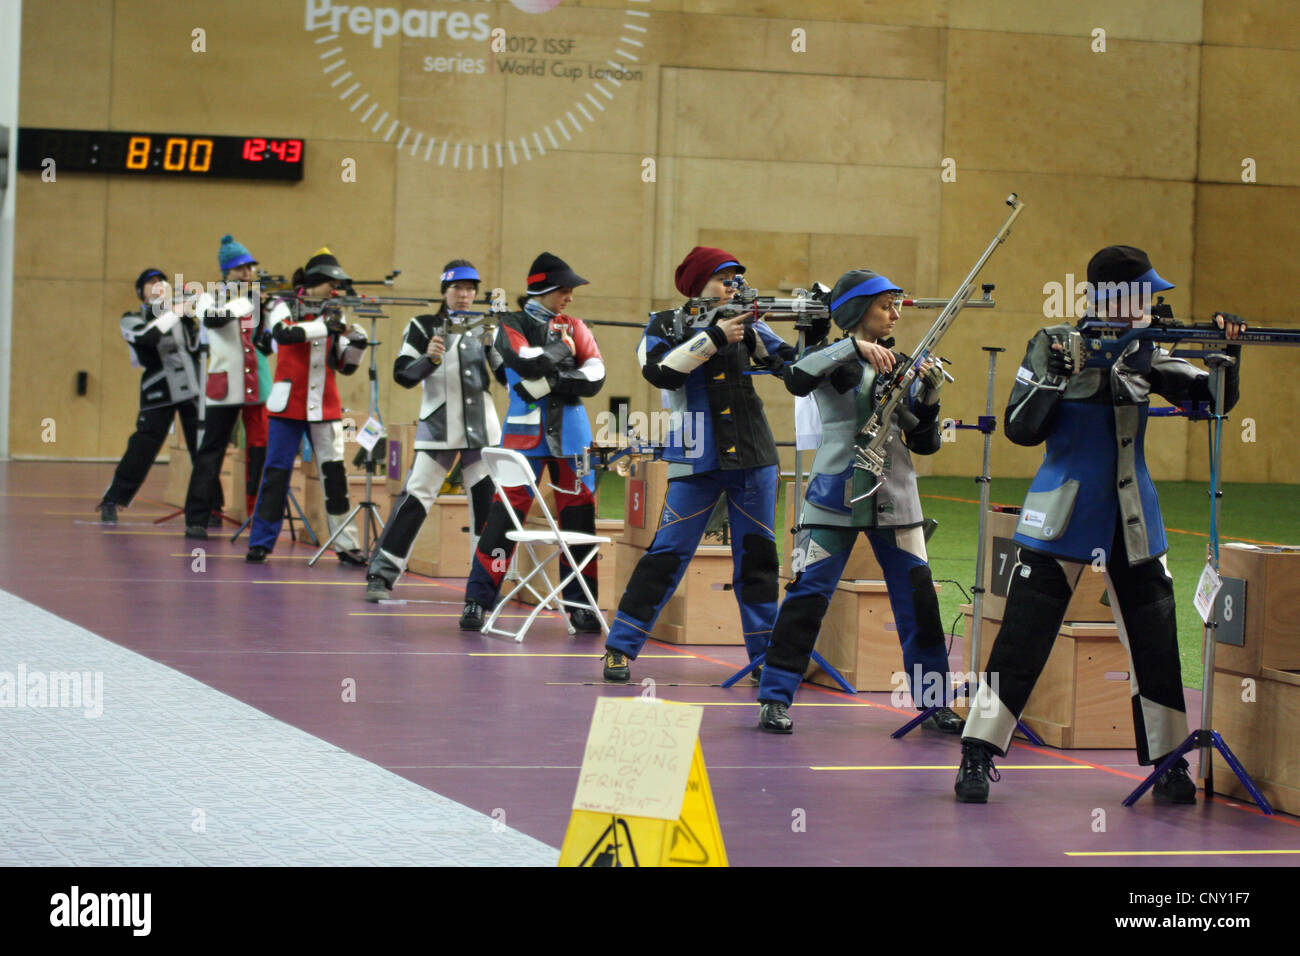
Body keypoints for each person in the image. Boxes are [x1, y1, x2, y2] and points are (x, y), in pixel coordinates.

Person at [955, 244, 1245, 803]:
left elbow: (1210, 402)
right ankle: (977, 751)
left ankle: (1168, 763)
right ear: (1117, 296)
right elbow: (1020, 428)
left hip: (1132, 519)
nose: (1155, 301)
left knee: (1156, 645)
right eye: (1146, 292)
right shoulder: (1053, 342)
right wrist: (1054, 380)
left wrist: (1228, 351)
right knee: (1022, 639)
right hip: (1060, 516)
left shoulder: (1146, 350)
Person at [753, 269, 960, 733]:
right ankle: (775, 696)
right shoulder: (831, 357)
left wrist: (930, 395)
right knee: (807, 597)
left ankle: (934, 702)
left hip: (896, 498)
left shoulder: (900, 364)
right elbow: (796, 376)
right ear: (857, 310)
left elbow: (924, 443)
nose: (895, 313)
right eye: (885, 304)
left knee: (919, 602)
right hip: (833, 496)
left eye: (896, 305)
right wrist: (852, 347)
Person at [600, 246, 797, 683]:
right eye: (724, 278)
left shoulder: (750, 323)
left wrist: (815, 330)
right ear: (697, 284)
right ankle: (620, 646)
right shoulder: (665, 324)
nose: (733, 286)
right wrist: (712, 337)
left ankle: (763, 658)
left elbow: (793, 368)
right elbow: (660, 372)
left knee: (758, 559)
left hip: (753, 455)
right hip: (695, 453)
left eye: (736, 279)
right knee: (668, 553)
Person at [459, 252, 606, 632]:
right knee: (502, 518)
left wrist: (552, 380)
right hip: (523, 438)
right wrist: (565, 353)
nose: (570, 298)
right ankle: (477, 599)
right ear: (545, 290)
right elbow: (525, 362)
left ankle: (581, 604)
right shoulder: (512, 322)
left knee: (580, 520)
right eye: (565, 290)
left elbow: (595, 377)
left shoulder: (575, 324)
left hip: (573, 437)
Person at [365, 260, 503, 601]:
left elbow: (503, 378)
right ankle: (381, 575)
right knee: (415, 498)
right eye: (458, 288)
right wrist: (429, 358)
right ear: (445, 290)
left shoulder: (487, 327)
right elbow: (403, 375)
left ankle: (484, 586)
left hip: (482, 432)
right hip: (439, 427)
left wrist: (493, 347)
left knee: (487, 506)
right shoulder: (423, 325)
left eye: (471, 289)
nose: (465, 295)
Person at [245, 247, 369, 565]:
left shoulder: (335, 311)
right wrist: (327, 327)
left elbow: (344, 366)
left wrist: (357, 345)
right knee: (276, 475)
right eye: (331, 282)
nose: (336, 289)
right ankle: (260, 542)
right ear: (317, 281)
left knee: (335, 477)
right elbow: (284, 334)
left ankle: (346, 544)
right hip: (287, 405)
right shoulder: (282, 304)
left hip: (324, 405)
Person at [181, 235, 273, 539]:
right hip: (226, 386)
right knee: (211, 451)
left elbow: (264, 342)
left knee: (259, 451)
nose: (247, 273)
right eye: (240, 269)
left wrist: (270, 316)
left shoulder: (256, 299)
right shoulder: (209, 297)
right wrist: (248, 301)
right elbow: (213, 320)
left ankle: (257, 514)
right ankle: (198, 516)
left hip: (256, 384)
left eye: (249, 268)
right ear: (226, 272)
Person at [98, 269, 202, 523]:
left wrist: (195, 306)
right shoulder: (132, 319)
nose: (157, 285)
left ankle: (210, 507)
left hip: (192, 389)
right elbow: (148, 337)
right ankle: (113, 499)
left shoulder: (183, 315)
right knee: (143, 447)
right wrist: (175, 311)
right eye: (150, 282)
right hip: (158, 391)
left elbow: (199, 346)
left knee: (202, 449)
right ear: (140, 292)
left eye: (161, 281)